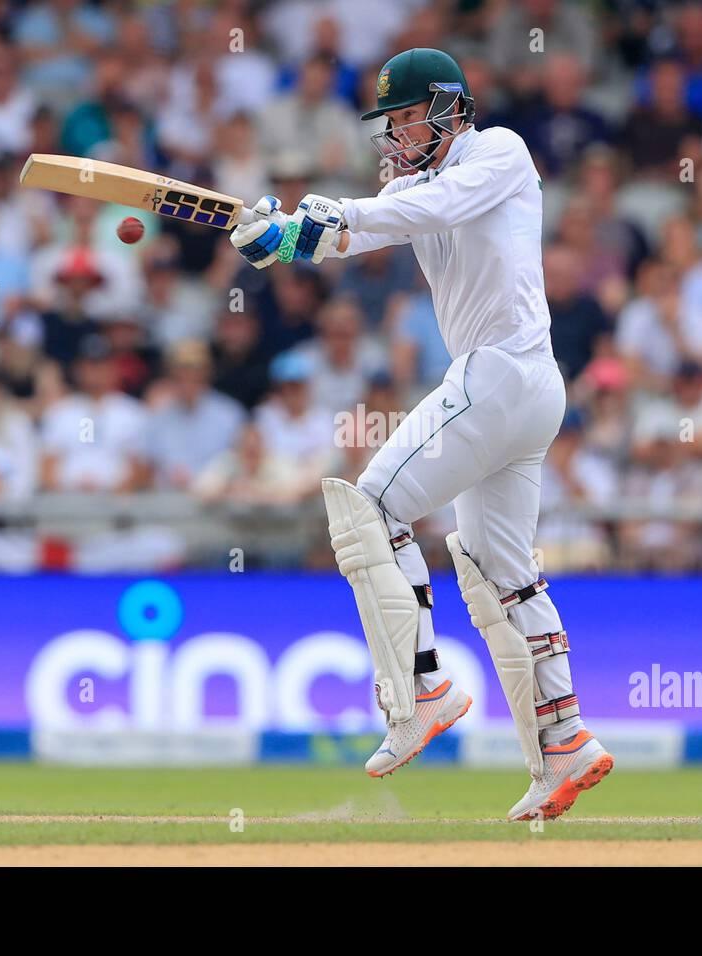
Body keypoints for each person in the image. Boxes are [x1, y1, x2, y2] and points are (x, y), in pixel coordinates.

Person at [229, 48, 611, 821]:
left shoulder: (498, 151)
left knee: (369, 507)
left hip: (502, 372)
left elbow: (423, 211)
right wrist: (274, 236)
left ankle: (422, 690)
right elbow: (350, 237)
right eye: (390, 122)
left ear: (446, 107)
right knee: (495, 565)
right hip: (521, 389)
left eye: (404, 117)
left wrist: (336, 212)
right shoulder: (412, 185)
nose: (395, 134)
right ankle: (564, 739)